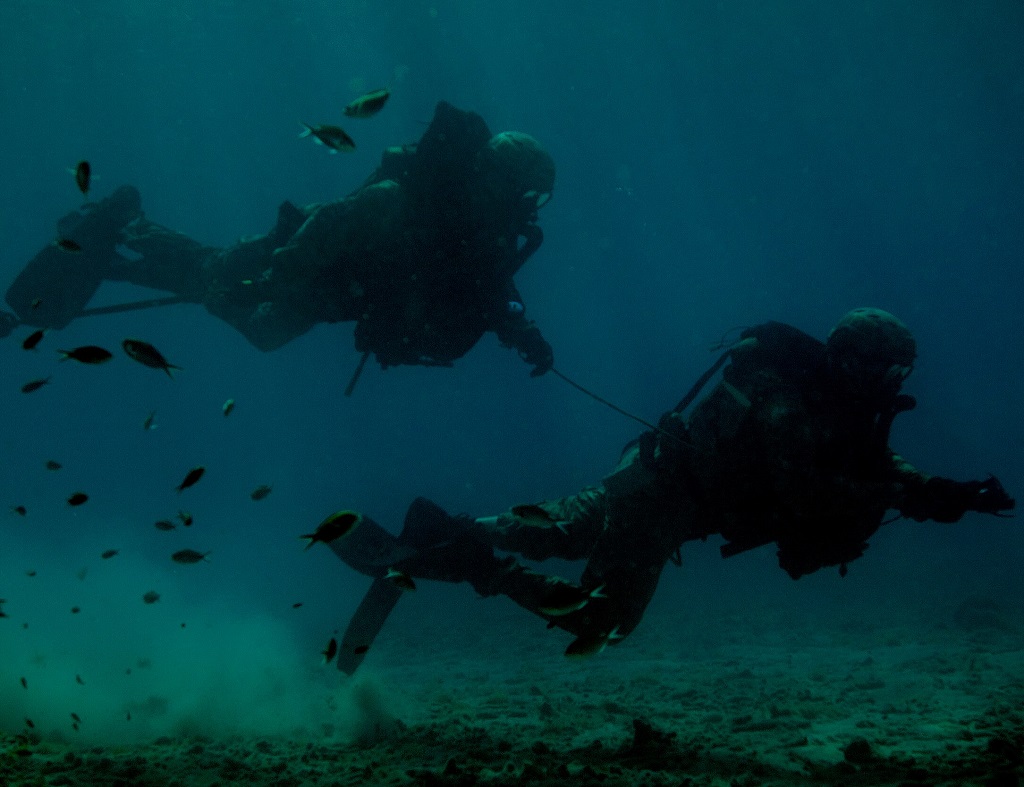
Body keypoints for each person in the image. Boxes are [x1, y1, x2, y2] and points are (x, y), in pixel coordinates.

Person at [331, 308, 1015, 670]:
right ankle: (465, 558)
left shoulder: (840, 402)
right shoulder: (782, 393)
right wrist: (902, 498)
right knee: (598, 620)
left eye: (901, 373)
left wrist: (938, 488)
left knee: (556, 531)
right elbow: (803, 487)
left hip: (659, 481)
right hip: (661, 495)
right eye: (886, 370)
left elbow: (875, 462)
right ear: (847, 359)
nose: (892, 384)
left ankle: (441, 528)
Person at [1, 101, 556, 379]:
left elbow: (488, 281)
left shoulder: (477, 228)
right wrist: (272, 278)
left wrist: (521, 330)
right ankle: (128, 228)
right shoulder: (406, 200)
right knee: (221, 283)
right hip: (302, 256)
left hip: (331, 286)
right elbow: (331, 226)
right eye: (526, 193)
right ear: (500, 179)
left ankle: (122, 246)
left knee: (221, 287)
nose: (527, 208)